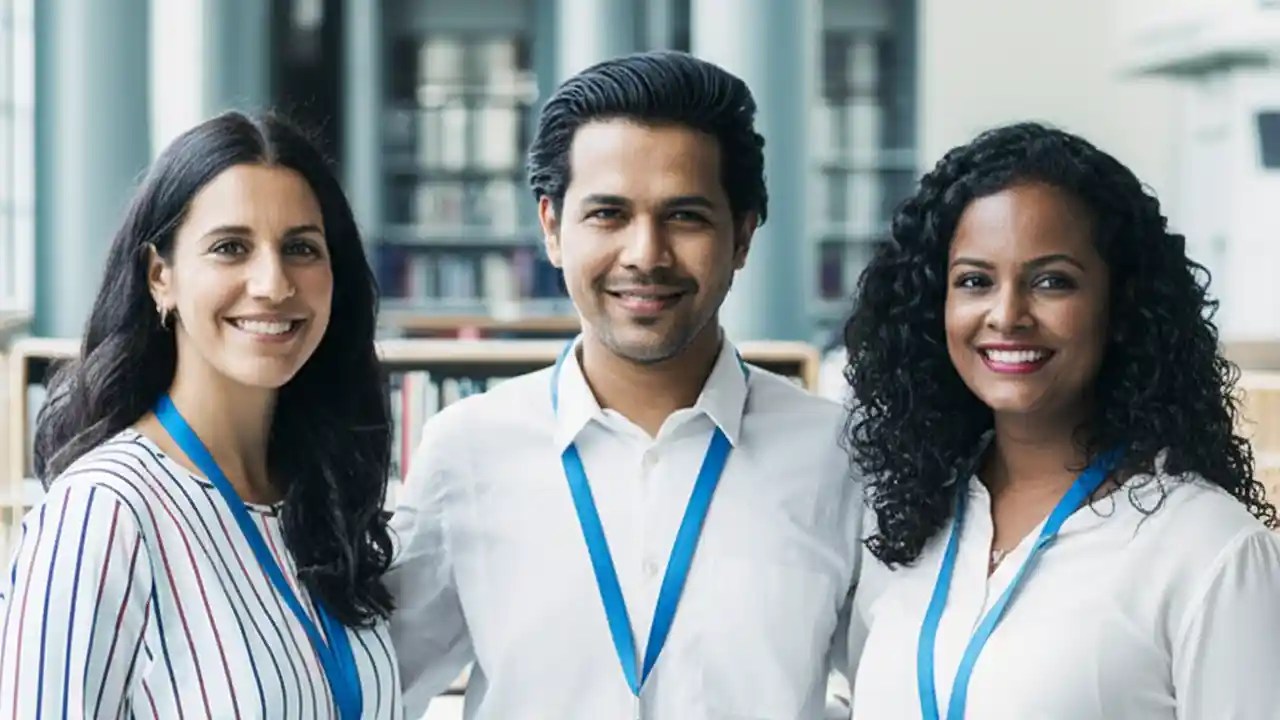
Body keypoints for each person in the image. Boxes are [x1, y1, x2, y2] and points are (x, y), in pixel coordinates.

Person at [386, 50, 863, 718]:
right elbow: (375, 689)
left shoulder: (837, 457)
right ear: (552, 229)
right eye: (608, 214)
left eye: (686, 216)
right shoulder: (465, 452)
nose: (646, 254)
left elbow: (898, 684)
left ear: (744, 235)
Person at [841, 121, 1280, 719]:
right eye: (974, 281)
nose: (1007, 314)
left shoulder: (1209, 551)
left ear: (1121, 306)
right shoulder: (904, 526)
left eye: (1052, 281)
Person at [0, 111, 402, 718]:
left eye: (300, 248)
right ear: (161, 277)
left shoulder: (319, 500)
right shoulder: (104, 513)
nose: (272, 282)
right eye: (230, 248)